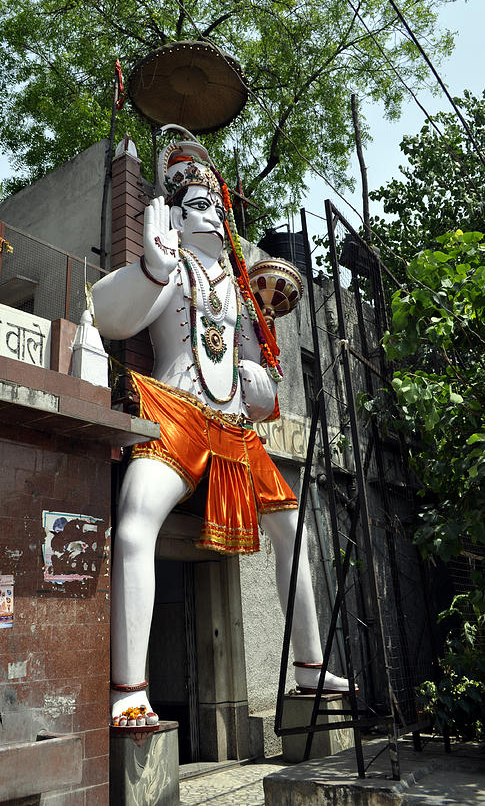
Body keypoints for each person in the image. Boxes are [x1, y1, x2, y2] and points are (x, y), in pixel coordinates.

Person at [92, 129, 349, 725]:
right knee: (133, 525)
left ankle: (310, 668)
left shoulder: (238, 292)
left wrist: (258, 376)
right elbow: (106, 315)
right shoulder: (172, 265)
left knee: (292, 524)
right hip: (176, 411)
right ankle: (128, 690)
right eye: (195, 204)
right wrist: (150, 271)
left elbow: (255, 387)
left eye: (215, 203)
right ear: (173, 217)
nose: (210, 215)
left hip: (232, 425)